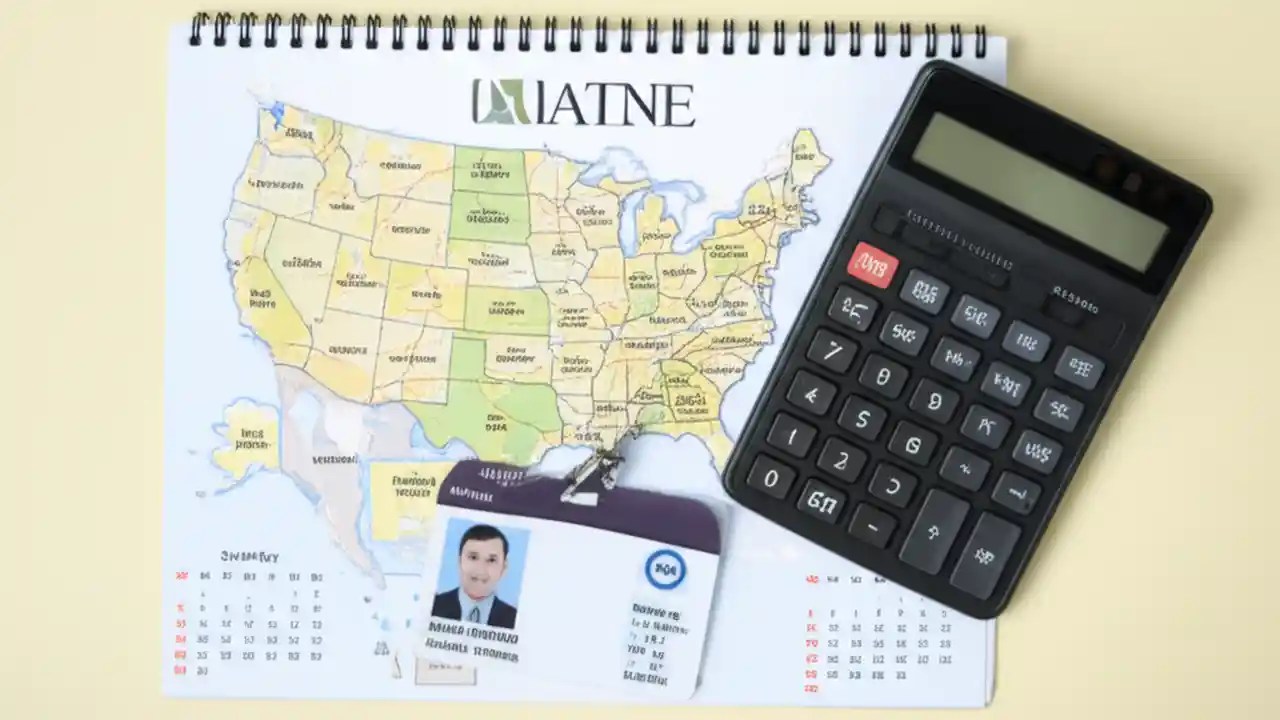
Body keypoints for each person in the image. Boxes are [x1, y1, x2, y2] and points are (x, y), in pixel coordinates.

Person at [431, 524, 518, 628]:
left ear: (504, 567)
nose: (480, 569)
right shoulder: (432, 607)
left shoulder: (515, 620)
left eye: (491, 560)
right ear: (459, 561)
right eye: (473, 557)